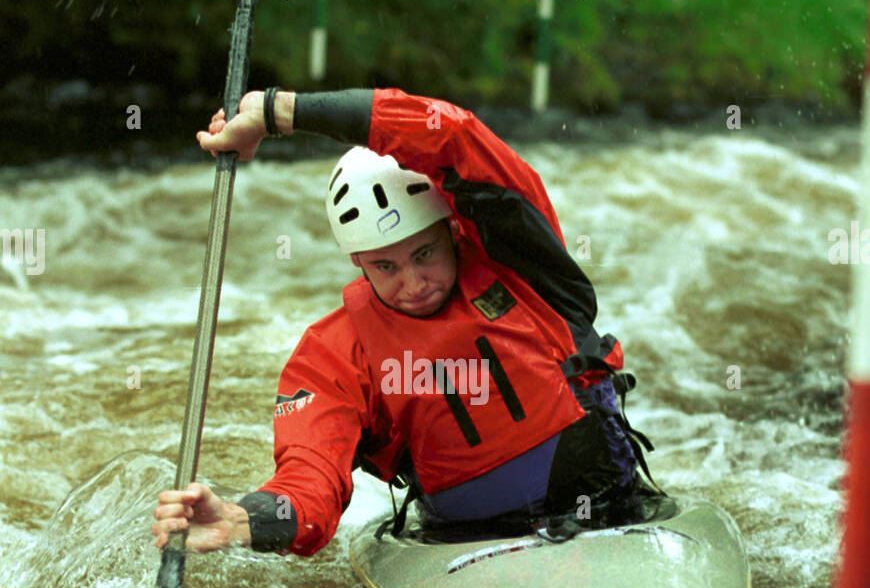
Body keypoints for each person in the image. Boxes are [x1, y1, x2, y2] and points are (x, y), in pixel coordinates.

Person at [151, 87, 661, 559]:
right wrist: (244, 520)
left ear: (452, 228)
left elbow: (452, 134)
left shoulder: (521, 260)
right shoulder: (333, 355)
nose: (413, 283)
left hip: (606, 508)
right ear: (358, 262)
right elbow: (310, 473)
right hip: (462, 547)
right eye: (386, 267)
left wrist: (275, 112)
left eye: (424, 254)